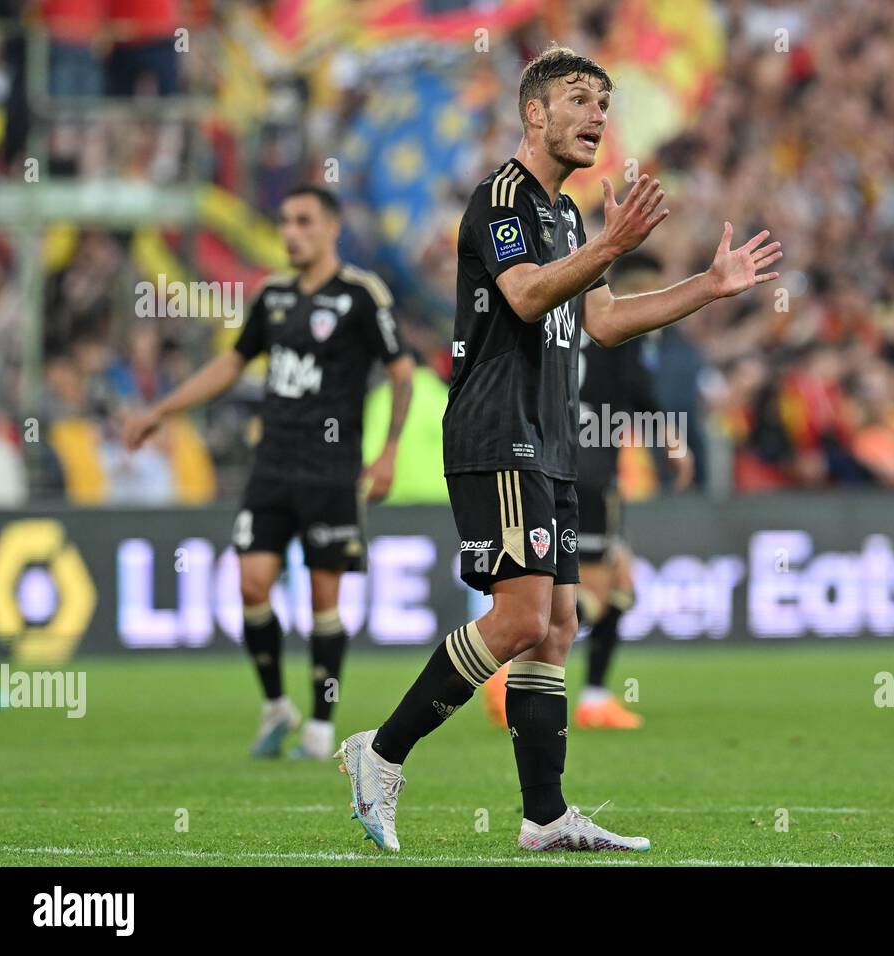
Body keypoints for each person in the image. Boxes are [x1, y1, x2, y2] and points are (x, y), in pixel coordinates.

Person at [334, 45, 781, 853]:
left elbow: (601, 321)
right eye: (581, 99)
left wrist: (706, 289)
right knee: (519, 618)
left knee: (558, 625)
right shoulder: (499, 199)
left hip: (551, 439)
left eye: (605, 104)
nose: (597, 116)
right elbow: (527, 293)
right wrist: (611, 247)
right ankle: (382, 751)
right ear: (534, 113)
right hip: (496, 429)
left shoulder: (567, 216)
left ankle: (544, 815)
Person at [123, 185, 415, 760]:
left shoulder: (362, 295)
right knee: (250, 582)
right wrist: (161, 410)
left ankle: (321, 725)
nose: (290, 232)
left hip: (332, 470)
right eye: (284, 221)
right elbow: (232, 364)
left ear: (331, 229)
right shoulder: (273, 295)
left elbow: (402, 372)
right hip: (273, 463)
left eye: (303, 221)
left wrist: (388, 453)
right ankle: (277, 704)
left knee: (321, 598)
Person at [481, 253, 694, 731]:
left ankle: (595, 697)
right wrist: (674, 442)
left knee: (620, 587)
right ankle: (502, 665)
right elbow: (639, 391)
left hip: (549, 464)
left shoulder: (553, 315)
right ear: (641, 286)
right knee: (592, 595)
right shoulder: (617, 325)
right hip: (591, 474)